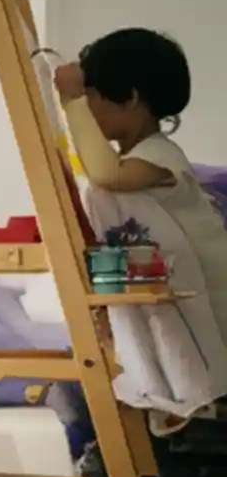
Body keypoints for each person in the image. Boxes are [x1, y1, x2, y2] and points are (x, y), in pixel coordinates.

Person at [53, 28, 227, 435]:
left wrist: (71, 102)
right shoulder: (136, 158)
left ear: (129, 98)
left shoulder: (159, 156)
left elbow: (105, 174)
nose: (86, 111)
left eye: (92, 97)